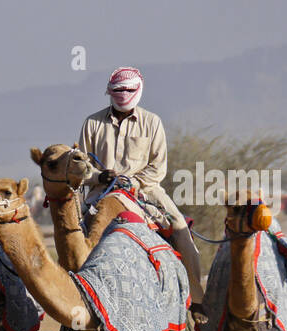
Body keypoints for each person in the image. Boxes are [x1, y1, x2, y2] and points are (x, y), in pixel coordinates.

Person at [78, 67, 205, 312]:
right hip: (101, 191)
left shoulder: (152, 122)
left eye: (128, 89)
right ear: (109, 91)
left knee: (179, 228)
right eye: (118, 89)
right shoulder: (92, 123)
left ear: (138, 90)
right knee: (73, 235)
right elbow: (82, 168)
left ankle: (196, 297)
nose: (123, 93)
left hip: (146, 191)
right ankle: (71, 302)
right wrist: (99, 176)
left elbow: (158, 167)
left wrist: (132, 182)